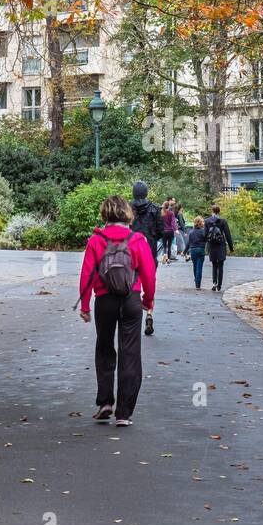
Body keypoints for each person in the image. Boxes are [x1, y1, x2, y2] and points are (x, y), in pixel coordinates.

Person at [77, 194, 156, 426]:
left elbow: (87, 274)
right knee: (130, 353)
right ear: (127, 214)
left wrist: (84, 305)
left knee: (104, 348)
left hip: (104, 301)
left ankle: (105, 403)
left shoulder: (96, 240)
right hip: (131, 299)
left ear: (105, 214)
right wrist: (148, 299)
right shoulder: (137, 239)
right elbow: (149, 274)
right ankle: (124, 413)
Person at [129, 181, 163, 337]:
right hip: (149, 250)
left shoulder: (128, 209)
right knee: (149, 283)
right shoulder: (155, 209)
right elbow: (161, 231)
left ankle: (132, 313)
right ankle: (149, 312)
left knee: (133, 283)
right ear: (146, 192)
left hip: (132, 250)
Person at [204, 203, 234, 292]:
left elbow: (205, 235)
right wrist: (231, 247)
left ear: (212, 211)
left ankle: (214, 283)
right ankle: (219, 285)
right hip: (221, 245)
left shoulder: (207, 221)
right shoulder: (223, 221)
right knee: (220, 265)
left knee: (214, 265)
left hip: (212, 245)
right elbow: (228, 235)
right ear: (219, 211)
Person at [187, 215, 207, 289]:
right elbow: (206, 240)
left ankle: (196, 281)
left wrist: (185, 251)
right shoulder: (203, 231)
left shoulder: (191, 232)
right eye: (202, 221)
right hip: (201, 250)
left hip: (193, 251)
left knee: (195, 267)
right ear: (199, 223)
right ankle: (198, 285)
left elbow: (188, 243)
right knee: (199, 268)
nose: (203, 222)